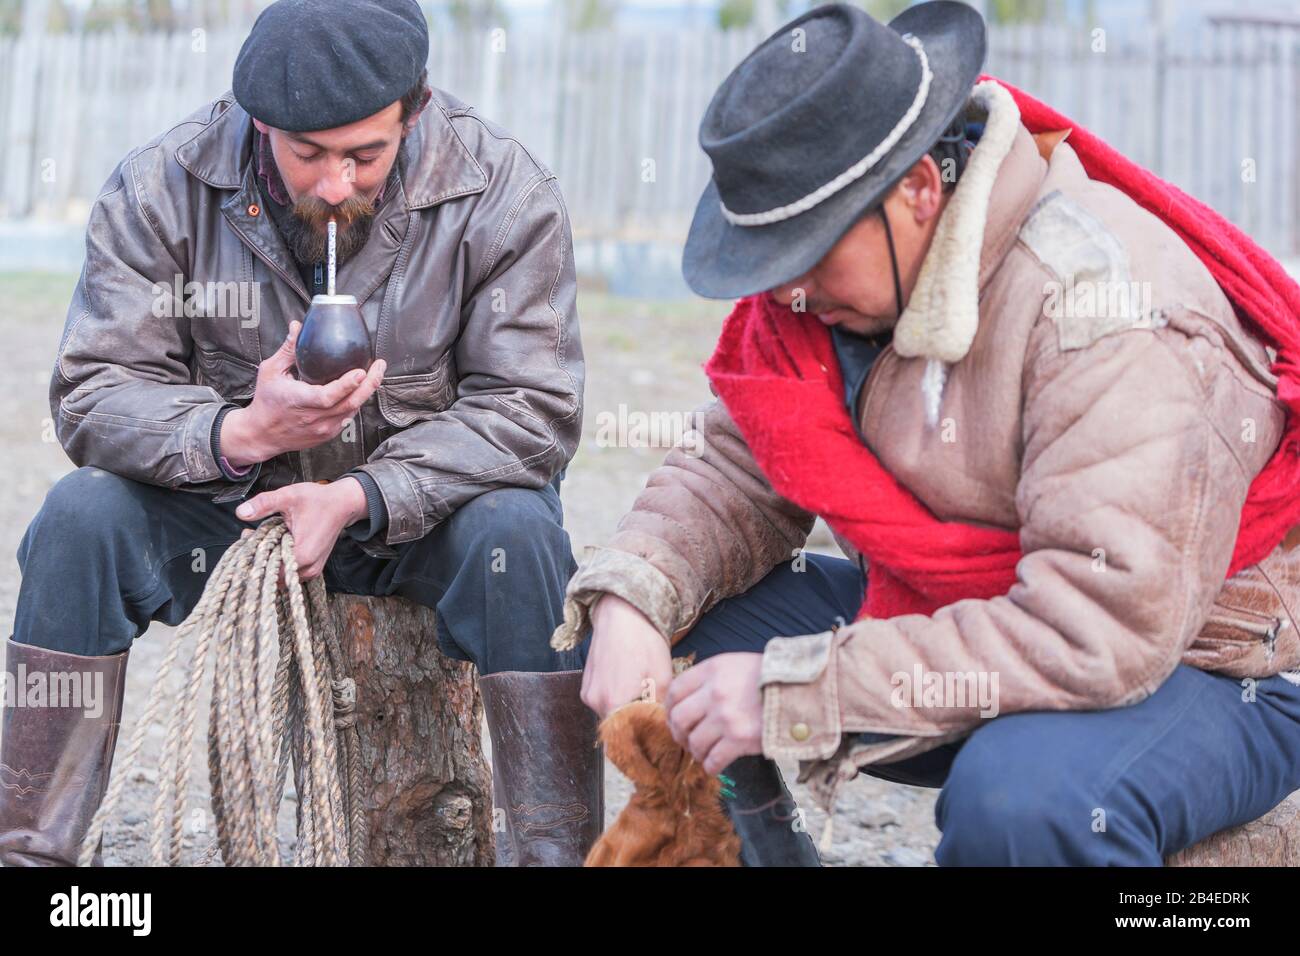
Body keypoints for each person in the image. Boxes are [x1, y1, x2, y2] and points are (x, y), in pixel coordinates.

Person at [552, 1, 1300, 865]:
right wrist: (634, 594)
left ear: (917, 191)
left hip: (1199, 667)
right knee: (679, 637)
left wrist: (801, 691)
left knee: (1019, 802)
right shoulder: (837, 289)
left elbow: (1100, 627)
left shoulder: (1105, 309)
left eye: (805, 250)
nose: (784, 287)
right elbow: (738, 468)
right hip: (980, 619)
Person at [2, 0, 598, 867]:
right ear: (258, 123)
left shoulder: (503, 191)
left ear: (416, 111)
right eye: (305, 153)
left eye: (365, 154)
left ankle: (557, 856)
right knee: (78, 519)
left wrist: (362, 493)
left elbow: (532, 409)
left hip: (412, 522)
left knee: (521, 535)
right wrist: (237, 432)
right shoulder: (161, 185)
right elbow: (94, 392)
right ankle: (32, 859)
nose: (333, 185)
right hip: (230, 513)